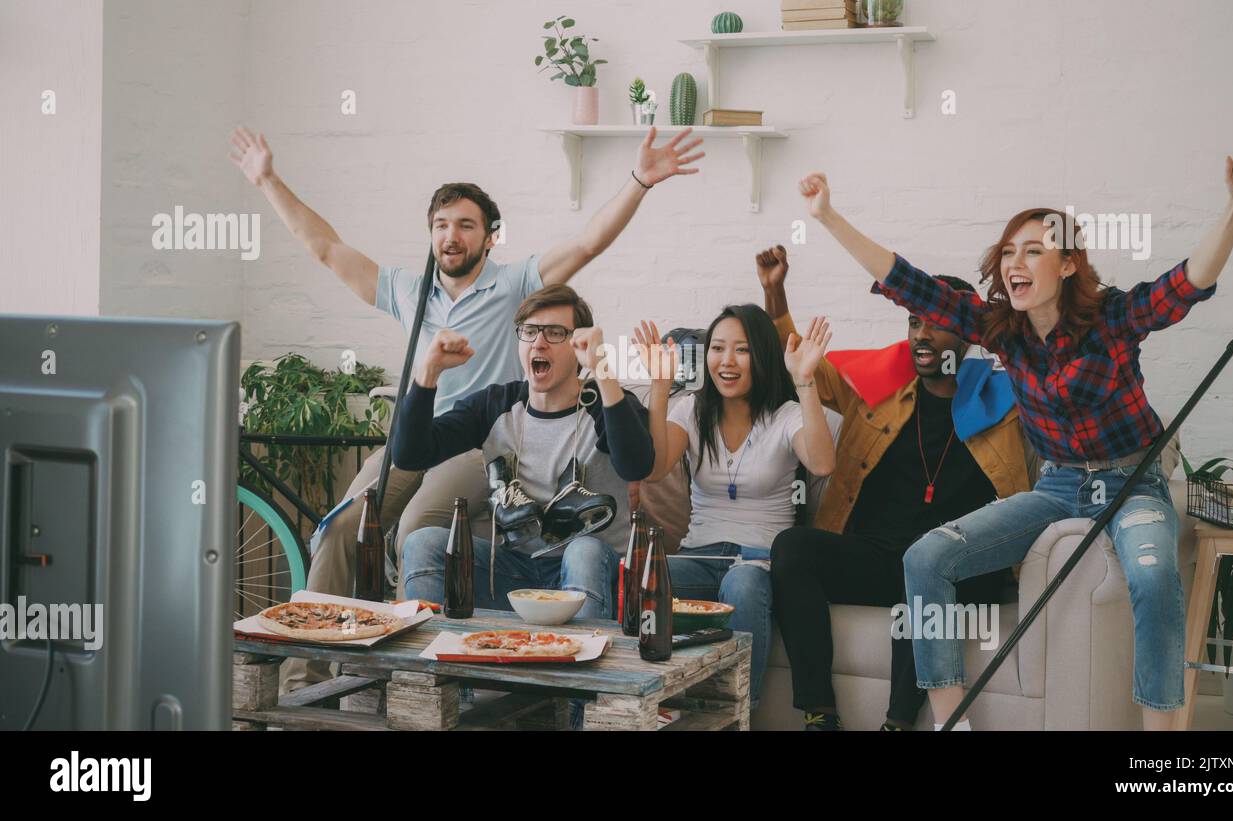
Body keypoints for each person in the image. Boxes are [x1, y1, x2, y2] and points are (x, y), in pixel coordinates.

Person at [797, 156, 1233, 730]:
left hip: (1130, 481)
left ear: (1068, 264)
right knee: (926, 556)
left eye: (1034, 250)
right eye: (1009, 251)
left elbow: (1185, 284)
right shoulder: (1004, 331)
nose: (1016, 262)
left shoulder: (1112, 319)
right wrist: (828, 216)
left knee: (1152, 574)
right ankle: (951, 724)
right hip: (1058, 485)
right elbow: (909, 283)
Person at [228, 126, 702, 690]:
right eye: (441, 224)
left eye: (466, 225)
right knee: (340, 529)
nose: (451, 236)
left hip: (476, 443)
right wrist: (267, 180)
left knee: (415, 530)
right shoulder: (409, 290)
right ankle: (307, 679)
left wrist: (639, 180)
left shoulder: (518, 285)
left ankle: (408, 672)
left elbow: (588, 242)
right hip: (420, 431)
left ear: (490, 236)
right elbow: (327, 248)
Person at [756, 245, 1032, 731]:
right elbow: (807, 370)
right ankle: (820, 715)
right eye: (913, 323)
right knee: (793, 547)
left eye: (936, 323)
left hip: (960, 567)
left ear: (968, 332)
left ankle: (898, 724)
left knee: (922, 570)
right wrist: (775, 296)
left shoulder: (1009, 401)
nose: (921, 334)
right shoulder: (878, 387)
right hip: (878, 556)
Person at [398, 285, 654, 619]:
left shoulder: (604, 403)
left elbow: (637, 466)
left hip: (592, 572)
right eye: (529, 331)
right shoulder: (496, 405)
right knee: (423, 542)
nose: (539, 342)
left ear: (579, 345)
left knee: (584, 551)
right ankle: (437, 666)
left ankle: (585, 664)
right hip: (513, 572)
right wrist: (428, 372)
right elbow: (410, 455)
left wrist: (603, 371)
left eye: (555, 333)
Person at [634, 303, 837, 709]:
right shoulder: (691, 408)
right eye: (717, 348)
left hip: (757, 563)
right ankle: (636, 705)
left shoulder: (786, 415)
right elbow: (654, 469)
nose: (726, 361)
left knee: (740, 585)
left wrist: (806, 382)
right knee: (636, 577)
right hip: (698, 554)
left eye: (741, 350)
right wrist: (659, 386)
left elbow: (821, 462)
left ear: (761, 356)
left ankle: (735, 715)